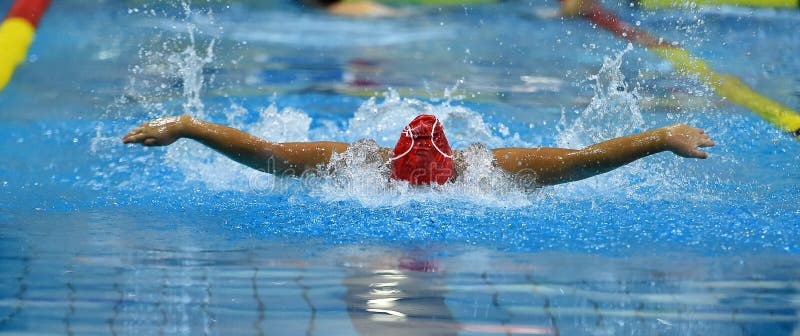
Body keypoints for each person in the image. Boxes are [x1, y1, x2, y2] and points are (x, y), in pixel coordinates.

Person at [122, 114, 715, 186]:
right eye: (418, 173)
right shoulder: (358, 164)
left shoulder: (483, 171)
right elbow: (268, 152)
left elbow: (583, 158)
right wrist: (188, 125)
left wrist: (661, 138)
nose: (428, 178)